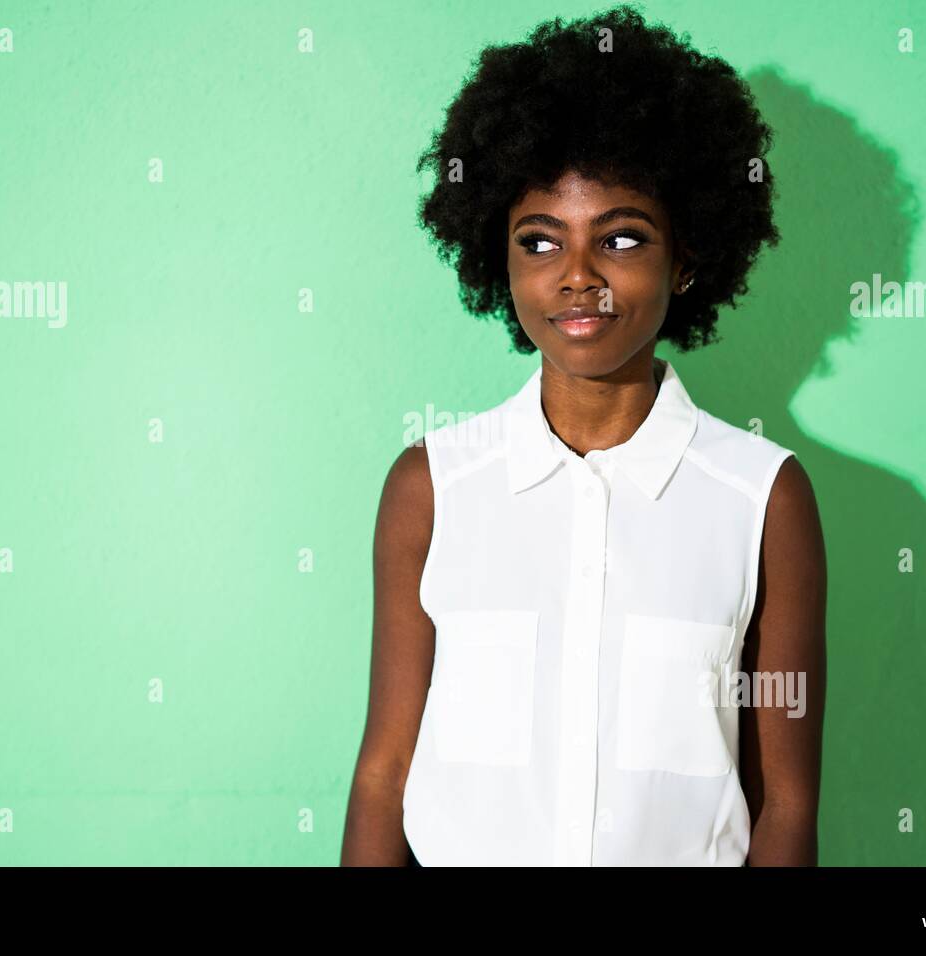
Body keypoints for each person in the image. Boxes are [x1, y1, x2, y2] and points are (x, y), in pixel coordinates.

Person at [342, 4, 826, 866]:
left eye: (622, 237)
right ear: (500, 257)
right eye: (539, 241)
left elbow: (784, 802)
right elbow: (385, 773)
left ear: (685, 258)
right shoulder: (431, 488)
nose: (577, 278)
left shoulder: (763, 497)